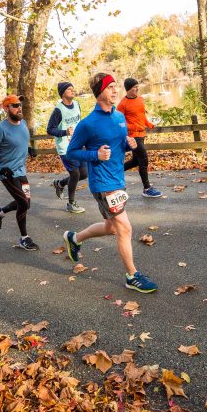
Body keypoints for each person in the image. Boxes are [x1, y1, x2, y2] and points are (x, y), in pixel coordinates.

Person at [62, 73, 158, 293]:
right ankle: (132, 276)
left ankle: (74, 238)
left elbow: (117, 147)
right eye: (111, 87)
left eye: (116, 87)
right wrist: (95, 155)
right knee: (125, 228)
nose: (115, 91)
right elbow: (72, 152)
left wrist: (128, 145)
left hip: (117, 179)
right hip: (103, 183)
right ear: (100, 92)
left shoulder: (118, 117)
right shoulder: (87, 124)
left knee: (112, 227)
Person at [0, 94, 38, 251]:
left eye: (20, 104)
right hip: (8, 173)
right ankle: (24, 238)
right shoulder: (0, 129)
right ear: (6, 108)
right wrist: (0, 168)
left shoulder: (23, 123)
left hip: (21, 170)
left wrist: (28, 149)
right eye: (15, 105)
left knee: (26, 202)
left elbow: (19, 142)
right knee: (23, 203)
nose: (19, 107)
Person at [47, 82, 87, 213]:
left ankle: (60, 183)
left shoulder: (77, 105)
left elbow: (79, 123)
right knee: (75, 174)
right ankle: (71, 203)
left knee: (84, 174)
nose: (72, 90)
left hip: (79, 144)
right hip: (66, 147)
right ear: (63, 93)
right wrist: (65, 132)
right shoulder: (58, 110)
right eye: (69, 89)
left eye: (73, 88)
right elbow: (50, 129)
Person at [119, 78, 162, 198]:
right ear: (128, 89)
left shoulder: (140, 99)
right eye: (134, 87)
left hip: (141, 134)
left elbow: (142, 116)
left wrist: (149, 124)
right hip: (133, 136)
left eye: (137, 86)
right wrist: (133, 127)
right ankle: (147, 188)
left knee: (135, 161)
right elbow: (118, 122)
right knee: (143, 158)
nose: (137, 89)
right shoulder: (122, 104)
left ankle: (114, 172)